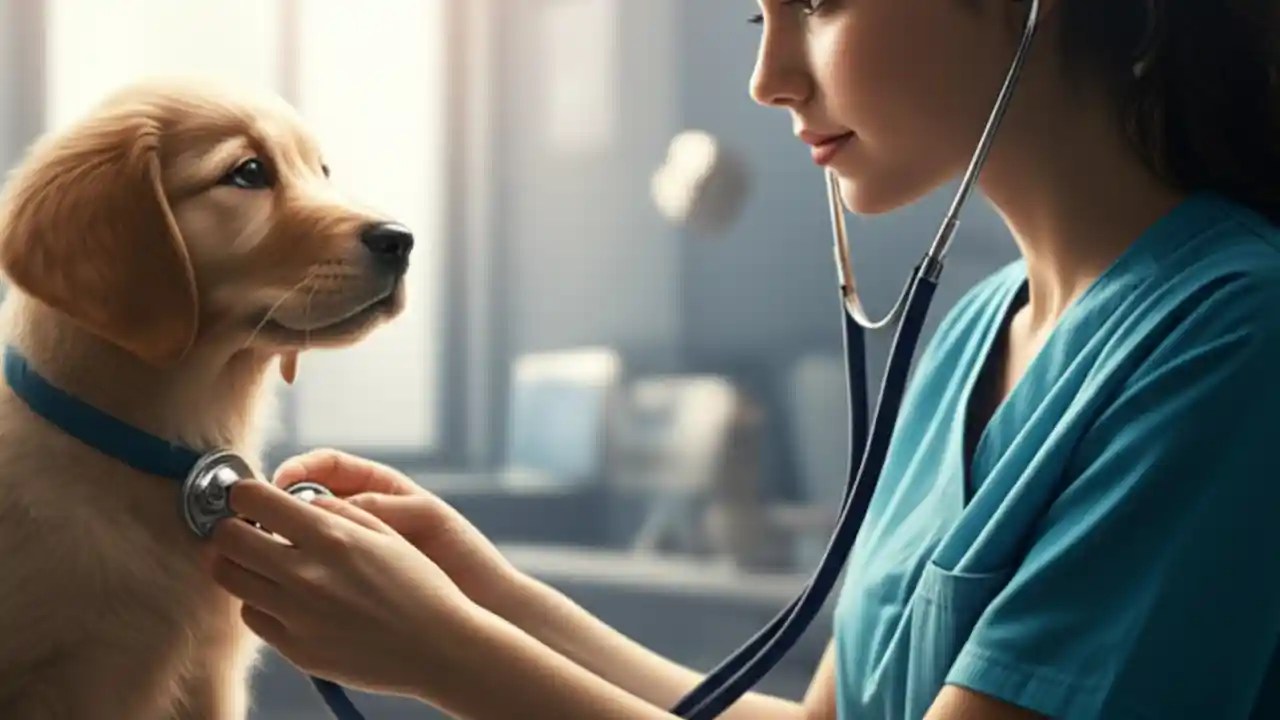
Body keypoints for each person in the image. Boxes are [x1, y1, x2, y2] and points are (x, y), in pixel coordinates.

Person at [204, 1, 1280, 718]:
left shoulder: (1234, 336)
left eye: (816, 2)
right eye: (755, 15)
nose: (767, 77)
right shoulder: (972, 335)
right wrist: (486, 593)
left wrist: (448, 655)